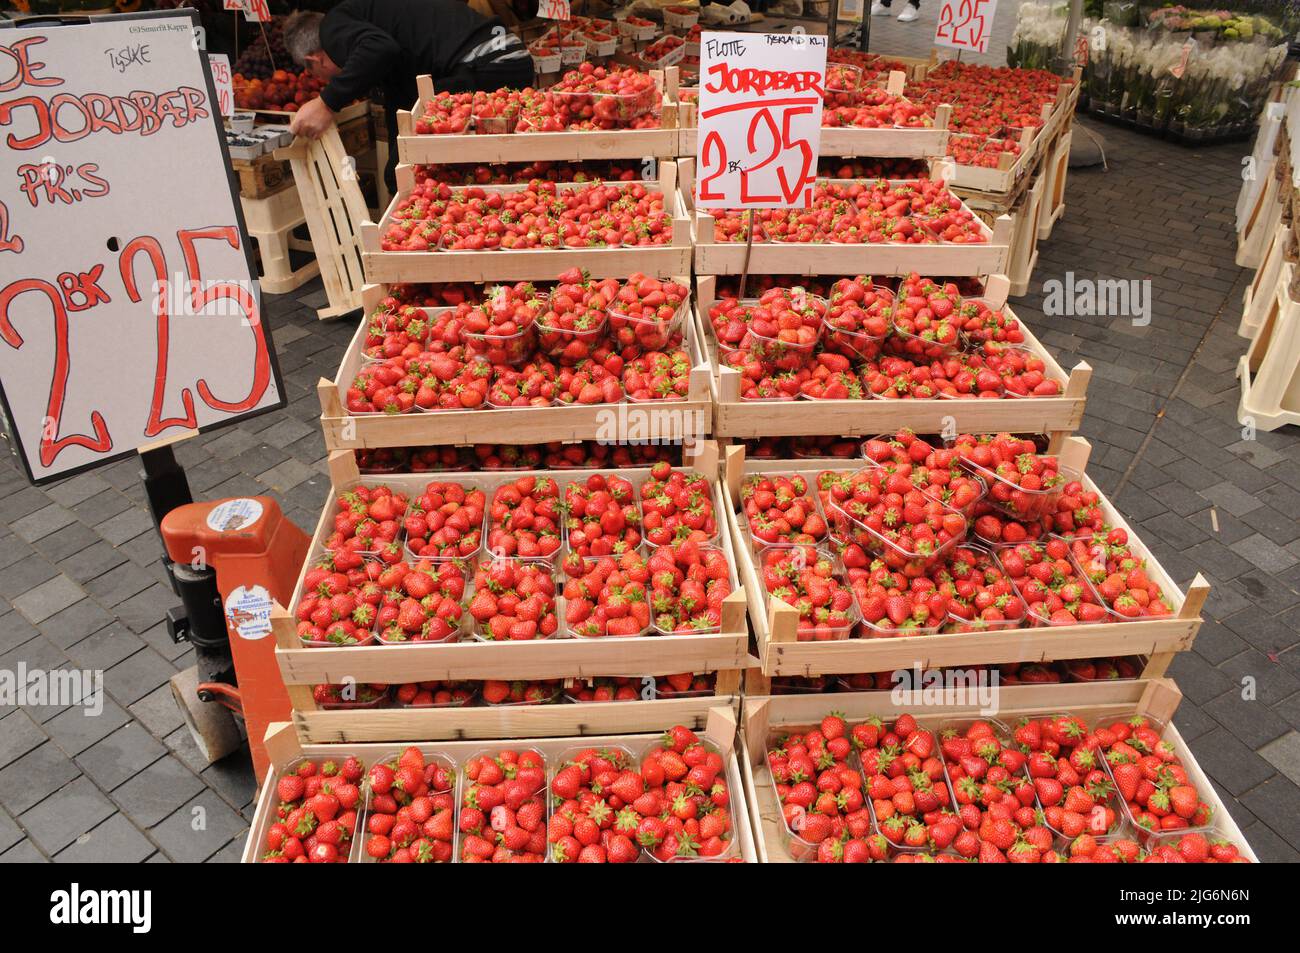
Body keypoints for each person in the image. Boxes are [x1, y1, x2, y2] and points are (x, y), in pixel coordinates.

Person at [283, 0, 534, 189]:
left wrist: (327, 103)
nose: (324, 80)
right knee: (406, 172)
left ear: (314, 60)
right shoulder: (371, 21)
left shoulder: (333, 27)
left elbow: (379, 49)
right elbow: (402, 104)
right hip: (510, 58)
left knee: (425, 176)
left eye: (316, 73)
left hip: (485, 64)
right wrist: (395, 165)